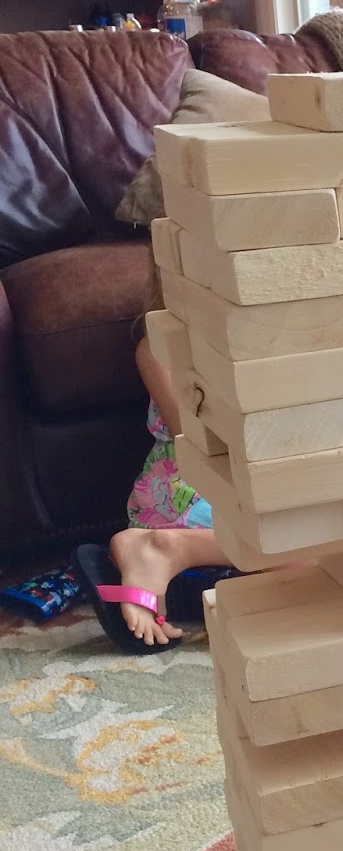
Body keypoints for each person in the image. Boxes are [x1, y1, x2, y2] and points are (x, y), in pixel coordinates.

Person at [72, 258, 234, 650]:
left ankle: (187, 570)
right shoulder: (160, 347)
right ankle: (167, 548)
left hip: (246, 494)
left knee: (341, 554)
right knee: (317, 547)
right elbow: (193, 436)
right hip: (199, 485)